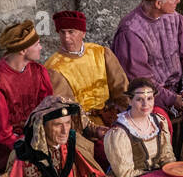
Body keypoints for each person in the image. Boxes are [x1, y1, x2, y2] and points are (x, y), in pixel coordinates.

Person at [1, 96, 132, 177]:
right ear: (43, 126)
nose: (65, 130)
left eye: (68, 123)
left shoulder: (70, 144)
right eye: (58, 125)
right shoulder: (26, 153)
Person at [112, 0, 183, 121]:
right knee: (160, 121)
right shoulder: (130, 32)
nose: (178, 0)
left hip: (181, 90)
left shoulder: (175, 18)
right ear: (158, 4)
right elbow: (141, 81)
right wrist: (173, 99)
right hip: (149, 100)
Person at [0, 20, 54, 172]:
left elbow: (47, 107)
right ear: (23, 50)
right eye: (37, 44)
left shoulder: (38, 71)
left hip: (36, 136)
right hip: (7, 149)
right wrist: (29, 147)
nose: (41, 47)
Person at [47, 10, 131, 140]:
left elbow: (121, 89)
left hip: (112, 115)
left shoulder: (100, 53)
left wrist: (130, 115)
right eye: (62, 32)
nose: (66, 38)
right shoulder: (54, 67)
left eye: (71, 32)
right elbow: (67, 109)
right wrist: (91, 128)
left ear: (83, 33)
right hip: (83, 127)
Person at [104, 78, 177, 177]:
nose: (145, 104)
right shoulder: (119, 133)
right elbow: (124, 174)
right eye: (139, 99)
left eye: (149, 99)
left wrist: (171, 172)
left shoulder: (159, 122)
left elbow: (167, 157)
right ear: (130, 101)